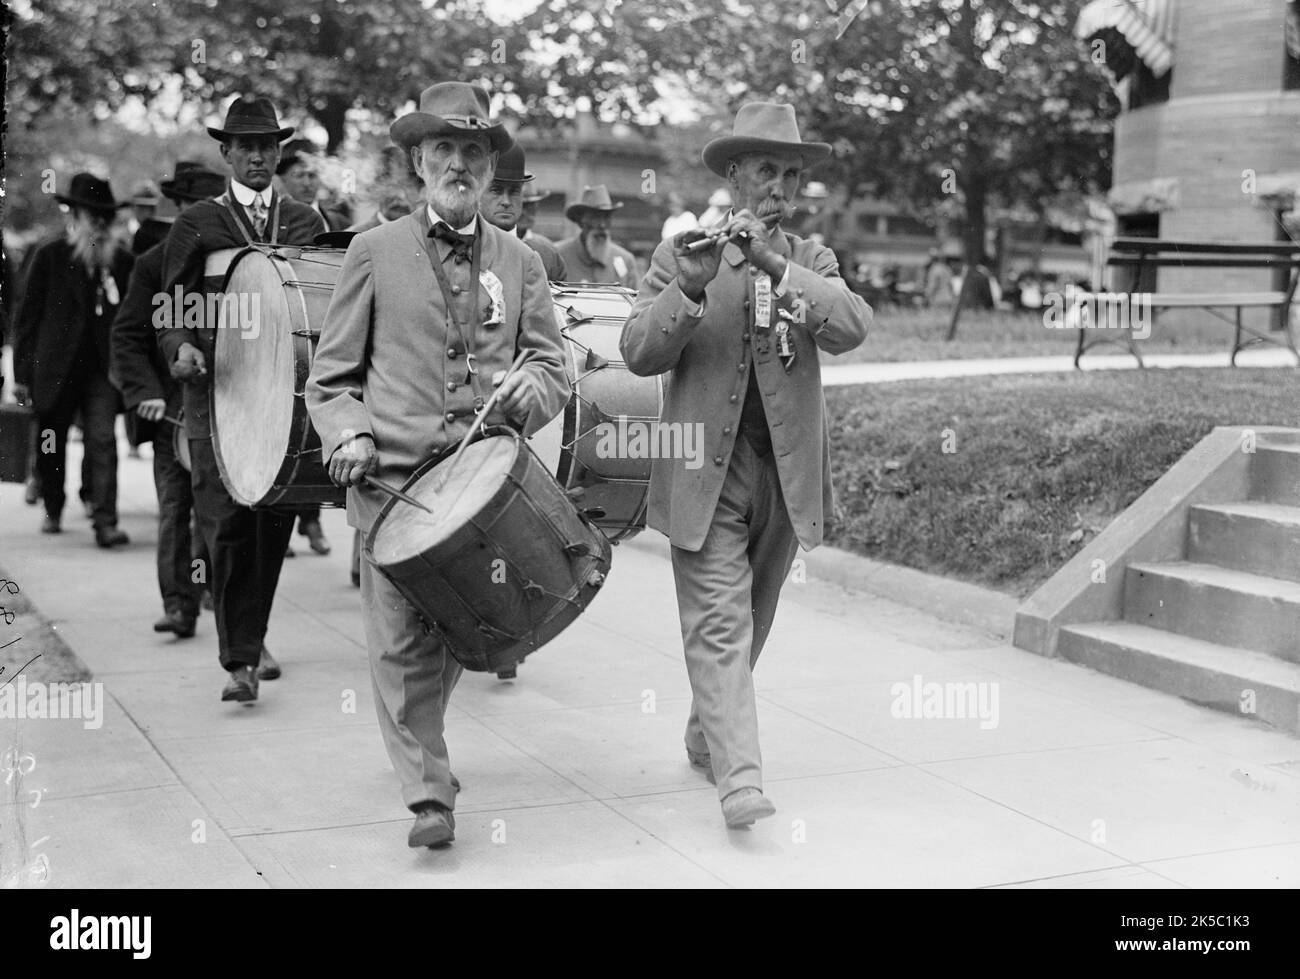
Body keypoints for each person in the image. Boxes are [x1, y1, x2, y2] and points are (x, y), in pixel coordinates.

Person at [306, 81, 569, 850]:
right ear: (418, 160)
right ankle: (428, 795)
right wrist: (346, 433)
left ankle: (427, 750)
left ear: (490, 168)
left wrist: (534, 387)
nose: (459, 164)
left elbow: (552, 365)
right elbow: (331, 376)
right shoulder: (371, 252)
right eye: (445, 150)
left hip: (487, 494)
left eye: (474, 152)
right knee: (396, 644)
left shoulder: (521, 260)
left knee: (458, 635)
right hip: (392, 489)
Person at [620, 102, 871, 829]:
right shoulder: (682, 253)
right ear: (733, 173)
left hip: (784, 477)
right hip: (704, 473)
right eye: (767, 170)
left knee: (752, 620)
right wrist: (690, 287)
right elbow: (638, 350)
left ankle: (707, 735)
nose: (781, 187)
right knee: (721, 625)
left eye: (791, 174)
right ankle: (741, 779)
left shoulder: (810, 260)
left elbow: (853, 325)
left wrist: (777, 264)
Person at [158, 96, 327, 702]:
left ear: (279, 153)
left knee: (271, 523)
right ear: (226, 152)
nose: (258, 156)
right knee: (225, 522)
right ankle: (240, 661)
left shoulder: (307, 222)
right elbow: (172, 309)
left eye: (268, 146)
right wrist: (181, 348)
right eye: (246, 146)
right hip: (214, 396)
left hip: (286, 403)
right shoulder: (198, 223)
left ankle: (250, 639)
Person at [110, 162, 227, 640]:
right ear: (180, 210)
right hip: (173, 413)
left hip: (225, 411)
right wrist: (147, 395)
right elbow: (127, 335)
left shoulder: (233, 263)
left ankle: (226, 611)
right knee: (177, 511)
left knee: (221, 517)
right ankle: (180, 605)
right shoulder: (151, 264)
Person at [12, 173, 135, 547]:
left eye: (105, 215)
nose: (99, 222)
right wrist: (21, 375)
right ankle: (53, 505)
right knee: (51, 440)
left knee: (102, 441)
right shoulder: (50, 255)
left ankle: (105, 521)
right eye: (91, 214)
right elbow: (27, 319)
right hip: (55, 370)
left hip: (100, 371)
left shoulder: (122, 262)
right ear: (76, 215)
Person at [478, 142, 566, 281]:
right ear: (478, 193)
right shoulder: (462, 249)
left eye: (514, 191)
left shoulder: (546, 257)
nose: (506, 201)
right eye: (496, 190)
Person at [555, 185, 638, 289]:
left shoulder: (626, 260)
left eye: (606, 217)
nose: (602, 225)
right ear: (581, 222)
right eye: (595, 217)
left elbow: (636, 303)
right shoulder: (558, 256)